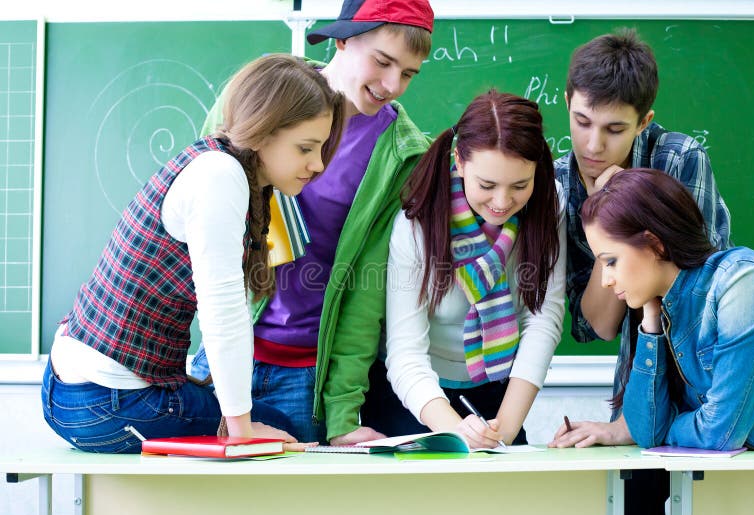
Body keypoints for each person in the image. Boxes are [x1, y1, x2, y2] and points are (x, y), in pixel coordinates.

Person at [41, 54, 345, 453]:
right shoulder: (220, 176)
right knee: (280, 426)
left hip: (71, 388)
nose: (318, 164)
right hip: (105, 401)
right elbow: (223, 312)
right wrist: (242, 434)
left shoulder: (214, 161)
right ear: (263, 130)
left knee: (265, 423)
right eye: (305, 148)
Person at [191, 0, 435, 444]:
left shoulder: (401, 154)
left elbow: (365, 296)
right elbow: (201, 230)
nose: (392, 85)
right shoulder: (259, 92)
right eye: (382, 62)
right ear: (342, 40)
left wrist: (343, 415)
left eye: (408, 74)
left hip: (305, 377)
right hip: (223, 355)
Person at [548, 29, 732, 515]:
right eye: (581, 122)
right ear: (566, 102)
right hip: (639, 385)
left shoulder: (678, 160)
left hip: (709, 382)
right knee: (634, 509)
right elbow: (597, 324)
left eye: (614, 129)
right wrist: (602, 216)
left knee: (714, 507)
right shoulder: (558, 183)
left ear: (644, 121)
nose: (593, 145)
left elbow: (697, 296)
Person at [359, 90, 565, 449]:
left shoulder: (550, 204)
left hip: (497, 387)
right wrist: (457, 432)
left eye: (520, 185)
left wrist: (504, 431)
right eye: (487, 185)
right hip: (411, 394)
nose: (502, 202)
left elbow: (543, 317)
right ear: (459, 160)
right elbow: (406, 353)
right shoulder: (418, 220)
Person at [578, 168, 754, 451]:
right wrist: (650, 322)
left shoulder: (742, 280)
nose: (606, 281)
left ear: (655, 245)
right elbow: (645, 432)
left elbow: (720, 434)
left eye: (610, 262)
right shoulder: (664, 309)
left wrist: (668, 428)